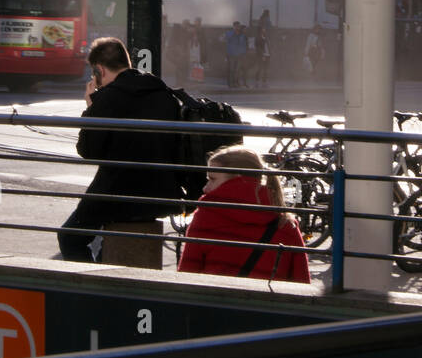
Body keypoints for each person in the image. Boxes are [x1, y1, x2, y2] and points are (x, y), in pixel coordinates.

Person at [58, 37, 184, 262]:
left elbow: (88, 151)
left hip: (118, 194)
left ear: (100, 71)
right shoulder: (164, 94)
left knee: (69, 237)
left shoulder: (107, 98)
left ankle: (93, 286)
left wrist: (91, 108)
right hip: (163, 193)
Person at [178, 145, 311, 283]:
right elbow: (301, 282)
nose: (205, 187)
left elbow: (187, 275)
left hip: (216, 301)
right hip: (267, 303)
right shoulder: (286, 224)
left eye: (212, 179)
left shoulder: (206, 216)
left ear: (238, 179)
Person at [224, 21, 249, 88]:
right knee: (231, 69)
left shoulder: (241, 35)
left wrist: (243, 53)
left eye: (239, 26)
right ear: (234, 26)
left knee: (237, 70)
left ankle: (235, 83)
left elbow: (243, 45)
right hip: (231, 54)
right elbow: (226, 41)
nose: (238, 27)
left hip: (239, 55)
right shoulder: (230, 33)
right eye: (237, 26)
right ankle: (230, 83)